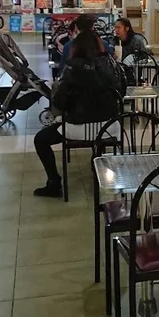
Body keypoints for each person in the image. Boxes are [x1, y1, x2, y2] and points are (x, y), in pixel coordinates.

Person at [33, 30, 124, 198]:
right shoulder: (111, 65)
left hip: (78, 127)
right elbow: (121, 93)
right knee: (98, 131)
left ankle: (54, 182)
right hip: (110, 127)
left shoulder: (72, 68)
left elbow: (60, 102)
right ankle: (99, 163)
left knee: (40, 139)